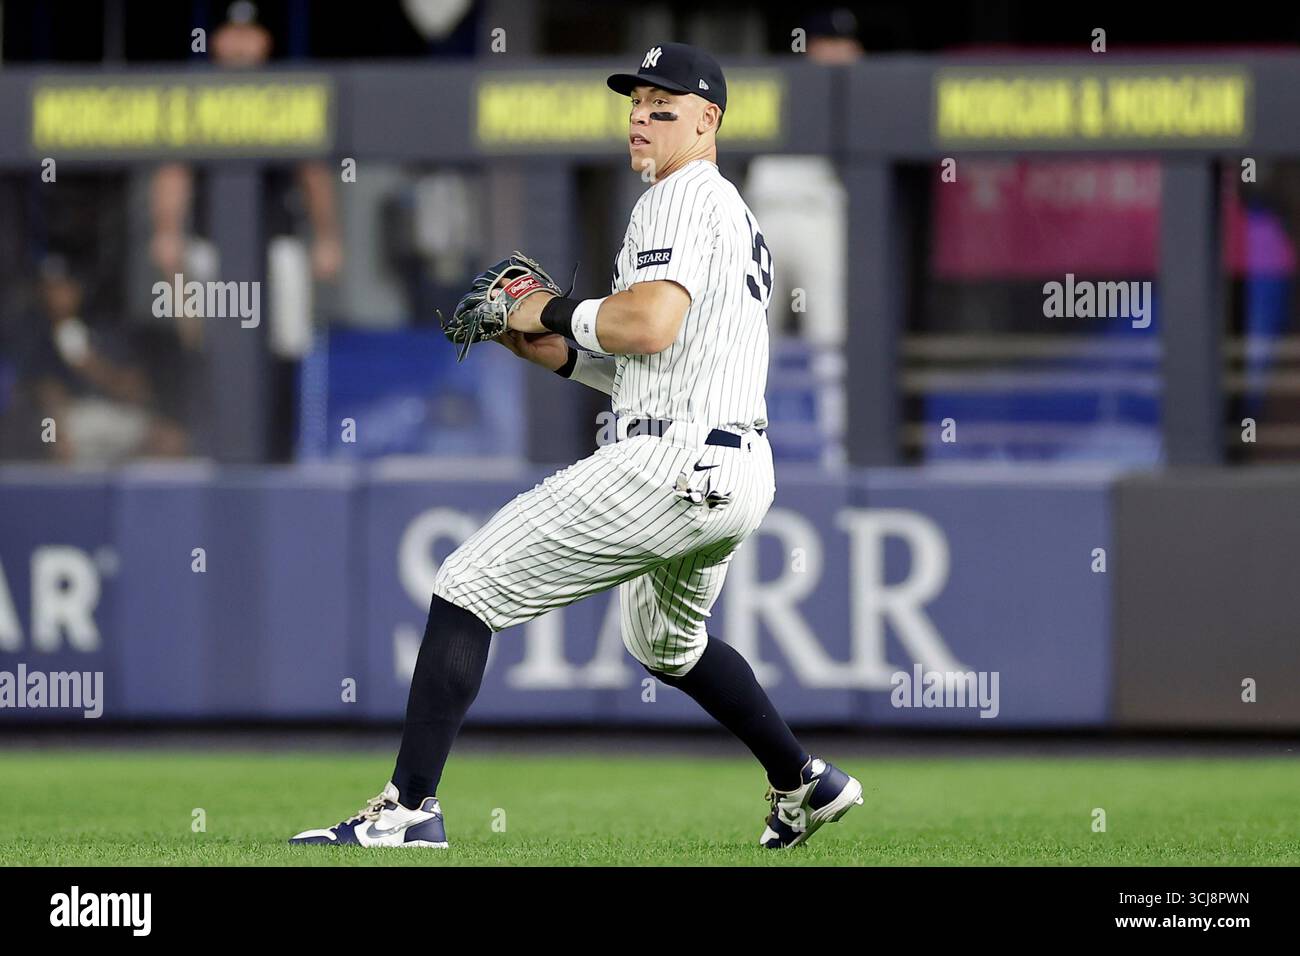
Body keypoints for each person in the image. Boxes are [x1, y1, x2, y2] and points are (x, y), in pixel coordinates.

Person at [290, 43, 863, 851]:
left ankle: (407, 811)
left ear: (708, 121)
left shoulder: (677, 197)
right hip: (733, 466)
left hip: (672, 463)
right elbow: (643, 359)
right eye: (634, 102)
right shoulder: (729, 212)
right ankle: (804, 781)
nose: (640, 116)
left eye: (663, 107)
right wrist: (526, 334)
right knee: (665, 642)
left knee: (466, 586)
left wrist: (551, 306)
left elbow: (646, 324)